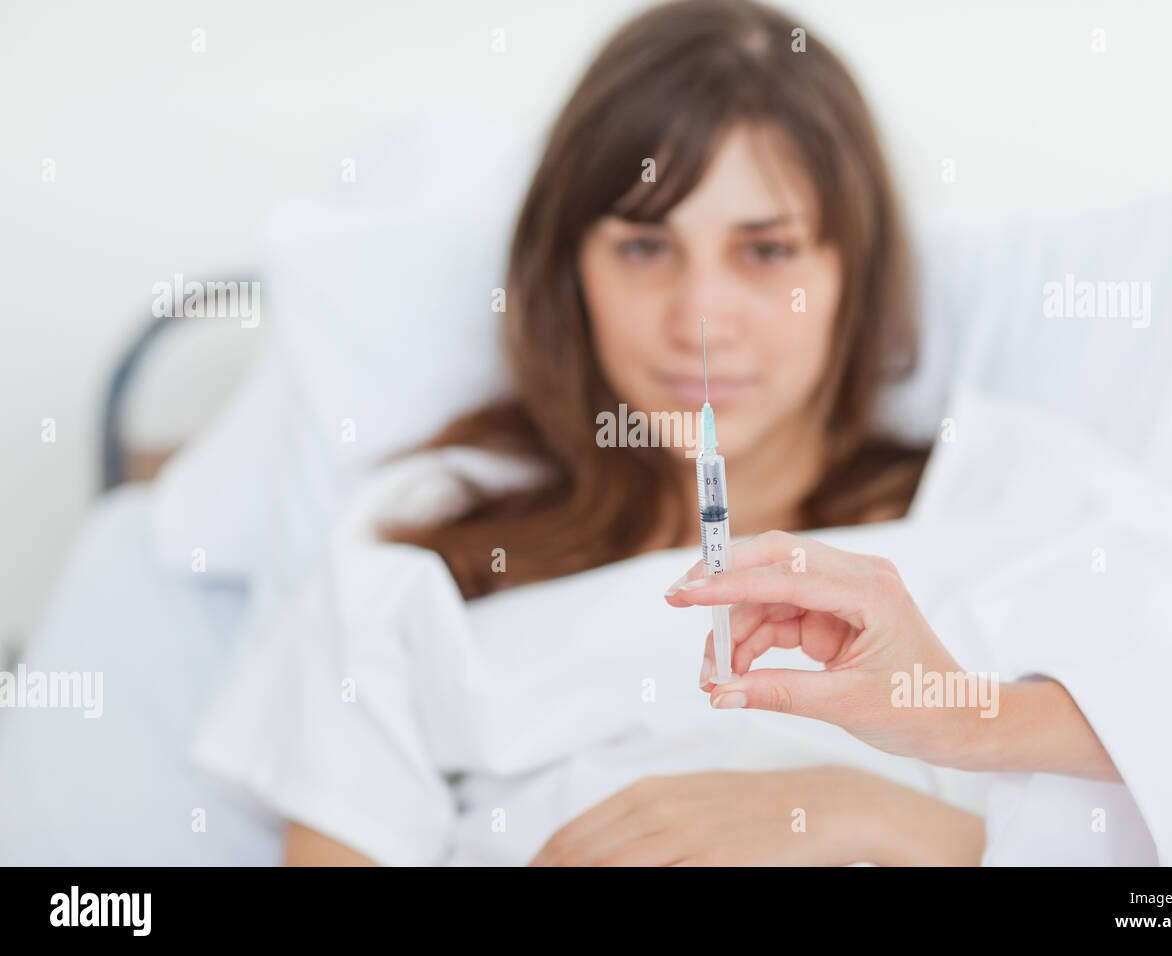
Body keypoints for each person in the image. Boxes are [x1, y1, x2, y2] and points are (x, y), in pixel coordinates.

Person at [192, 0, 1085, 866]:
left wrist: (859, 816)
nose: (700, 320)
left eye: (766, 251)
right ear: (568, 271)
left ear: (855, 269)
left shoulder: (1024, 506)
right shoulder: (432, 558)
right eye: (644, 249)